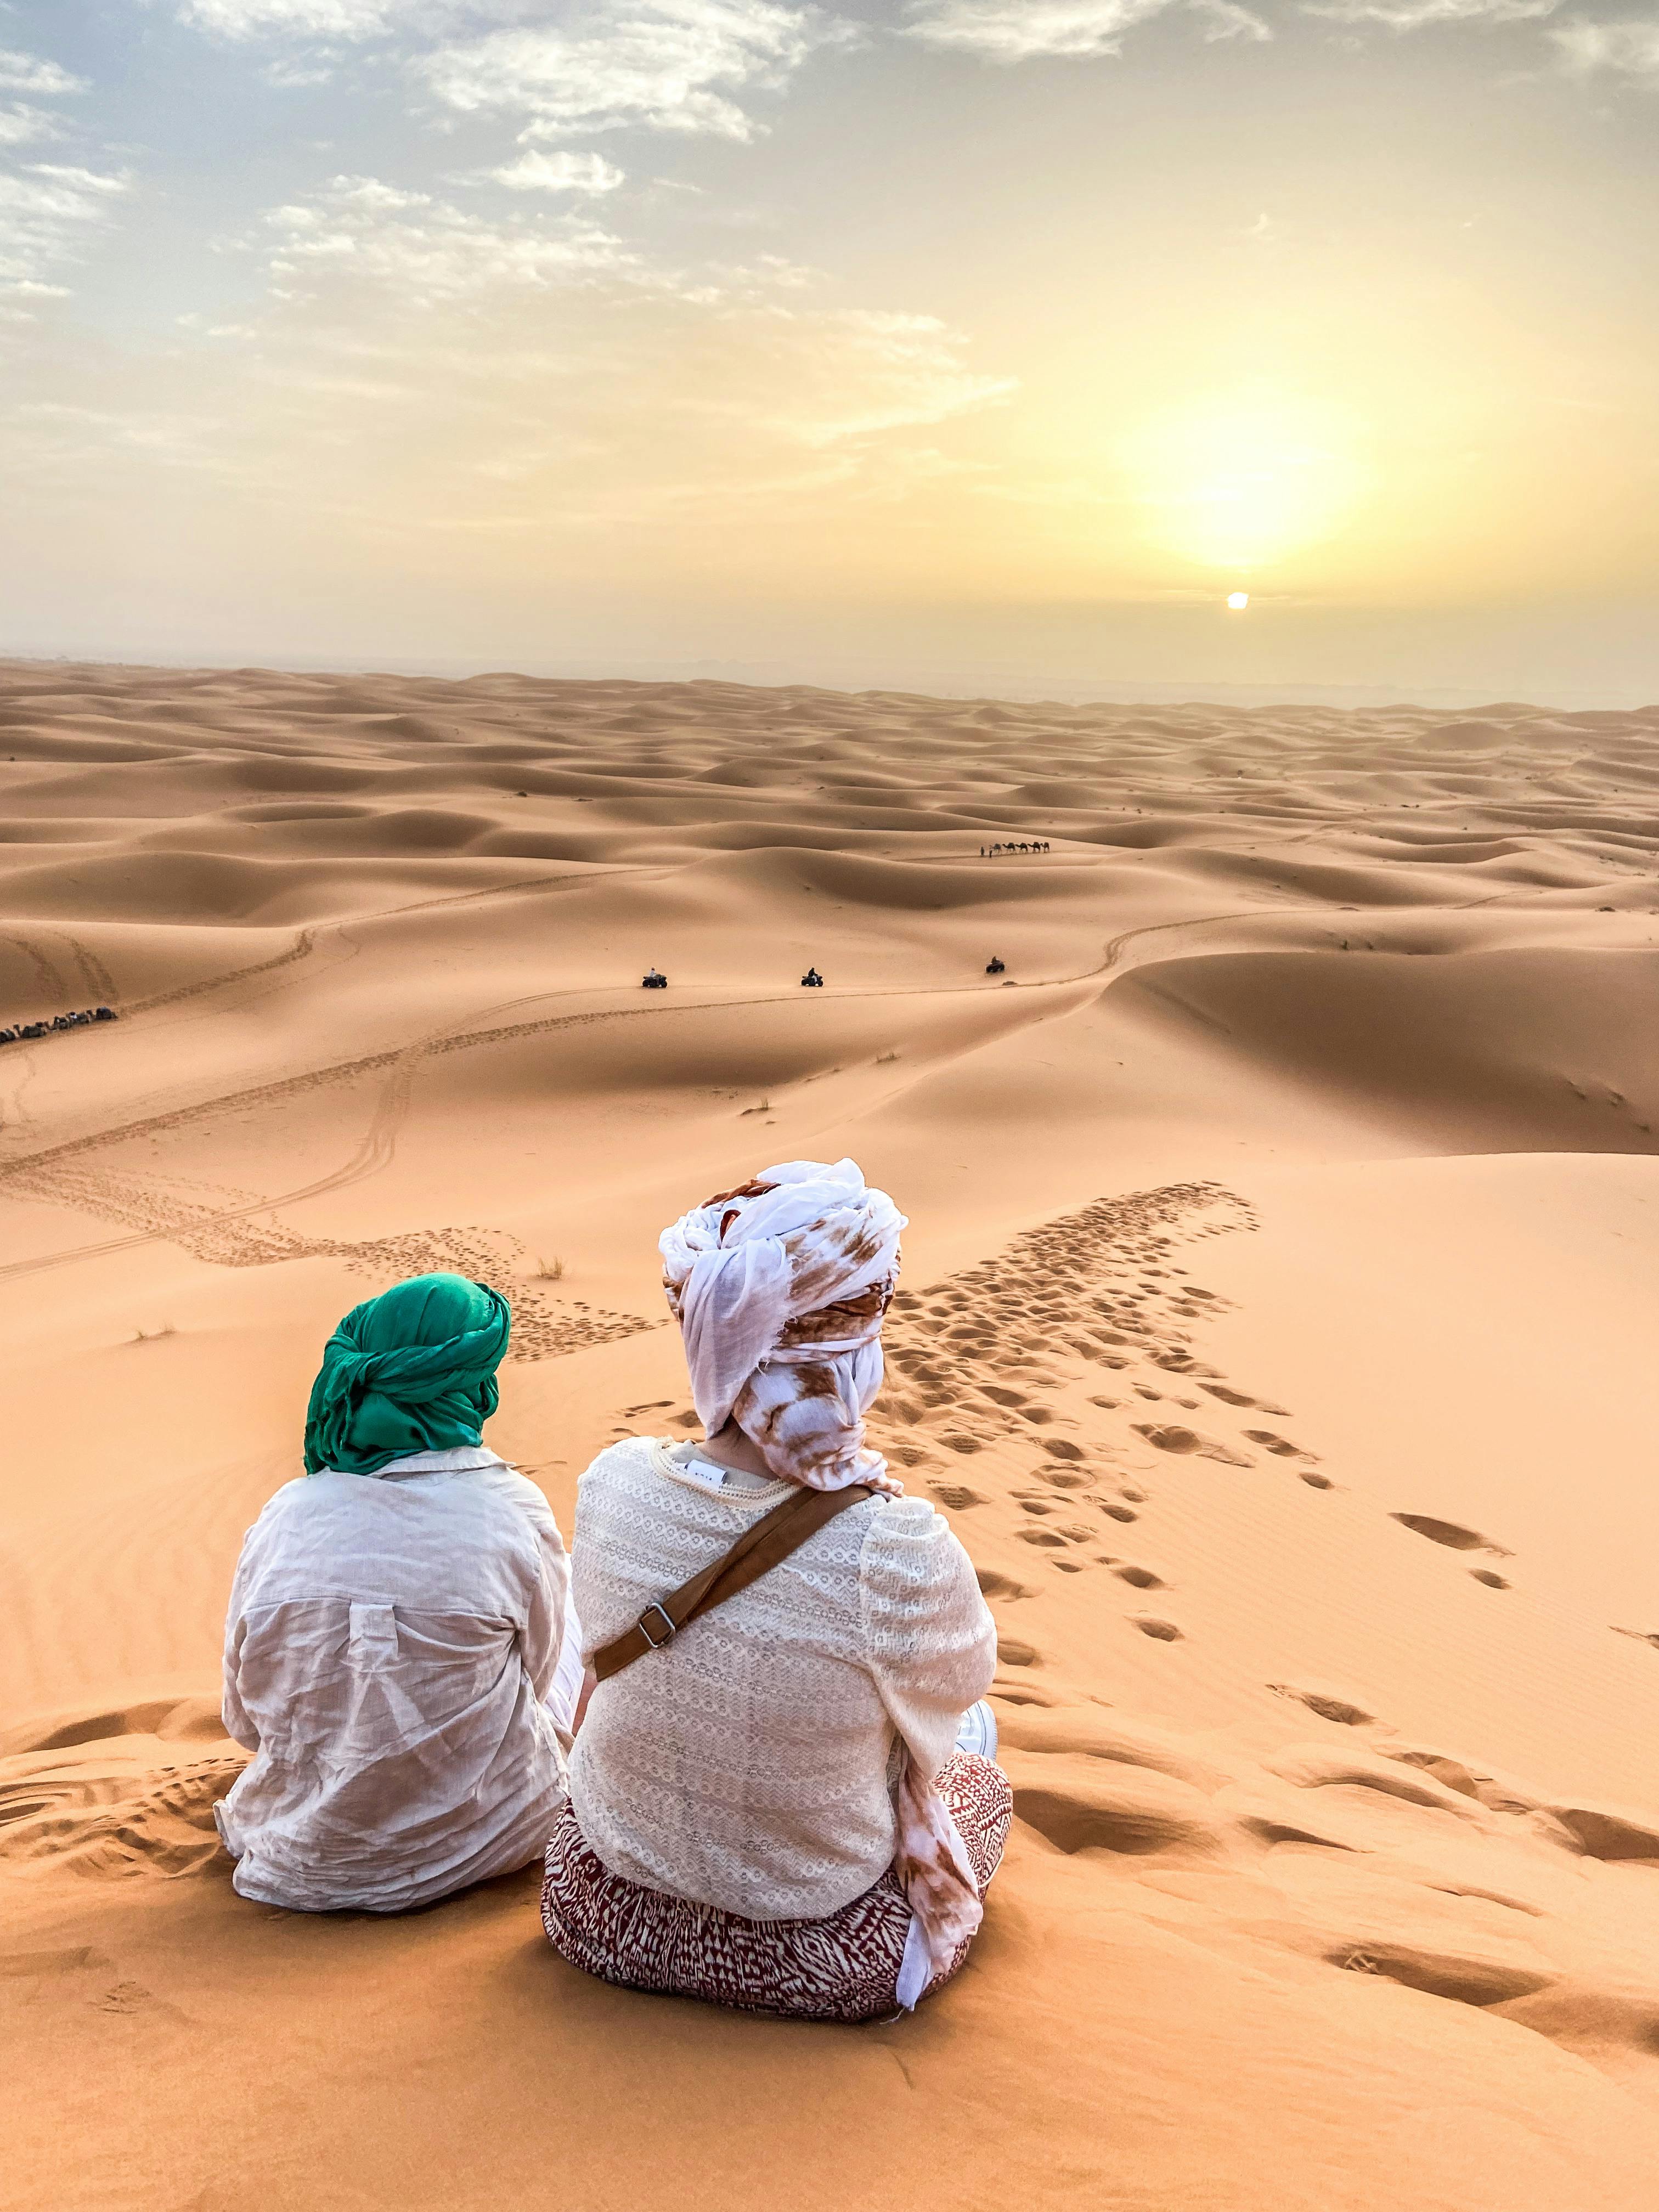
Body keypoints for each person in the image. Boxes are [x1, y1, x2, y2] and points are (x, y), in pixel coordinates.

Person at [541, 1160, 1010, 2022]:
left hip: (597, 1918)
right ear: (854, 1346)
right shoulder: (894, 1541)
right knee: (978, 1764)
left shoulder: (611, 1481)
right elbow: (961, 1681)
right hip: (819, 1960)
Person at [215, 1272, 580, 1912]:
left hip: (298, 1856)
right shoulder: (511, 1510)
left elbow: (243, 1724)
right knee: (572, 1584)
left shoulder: (286, 1513)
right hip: (487, 1843)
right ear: (473, 1385)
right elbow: (541, 1678)